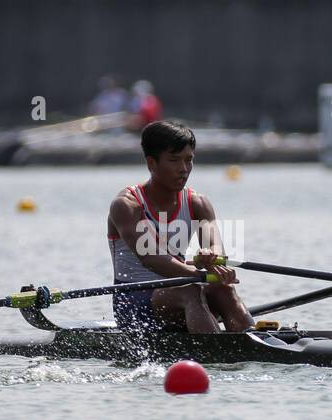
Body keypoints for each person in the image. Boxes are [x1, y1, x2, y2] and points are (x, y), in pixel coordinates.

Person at [107, 120, 253, 333]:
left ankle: (254, 344)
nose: (184, 169)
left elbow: (216, 245)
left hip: (179, 291)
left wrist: (210, 256)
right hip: (134, 303)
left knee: (224, 289)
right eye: (174, 160)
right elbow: (152, 258)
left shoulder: (198, 203)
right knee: (191, 290)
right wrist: (198, 273)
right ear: (151, 163)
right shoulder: (126, 205)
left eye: (189, 160)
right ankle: (216, 357)